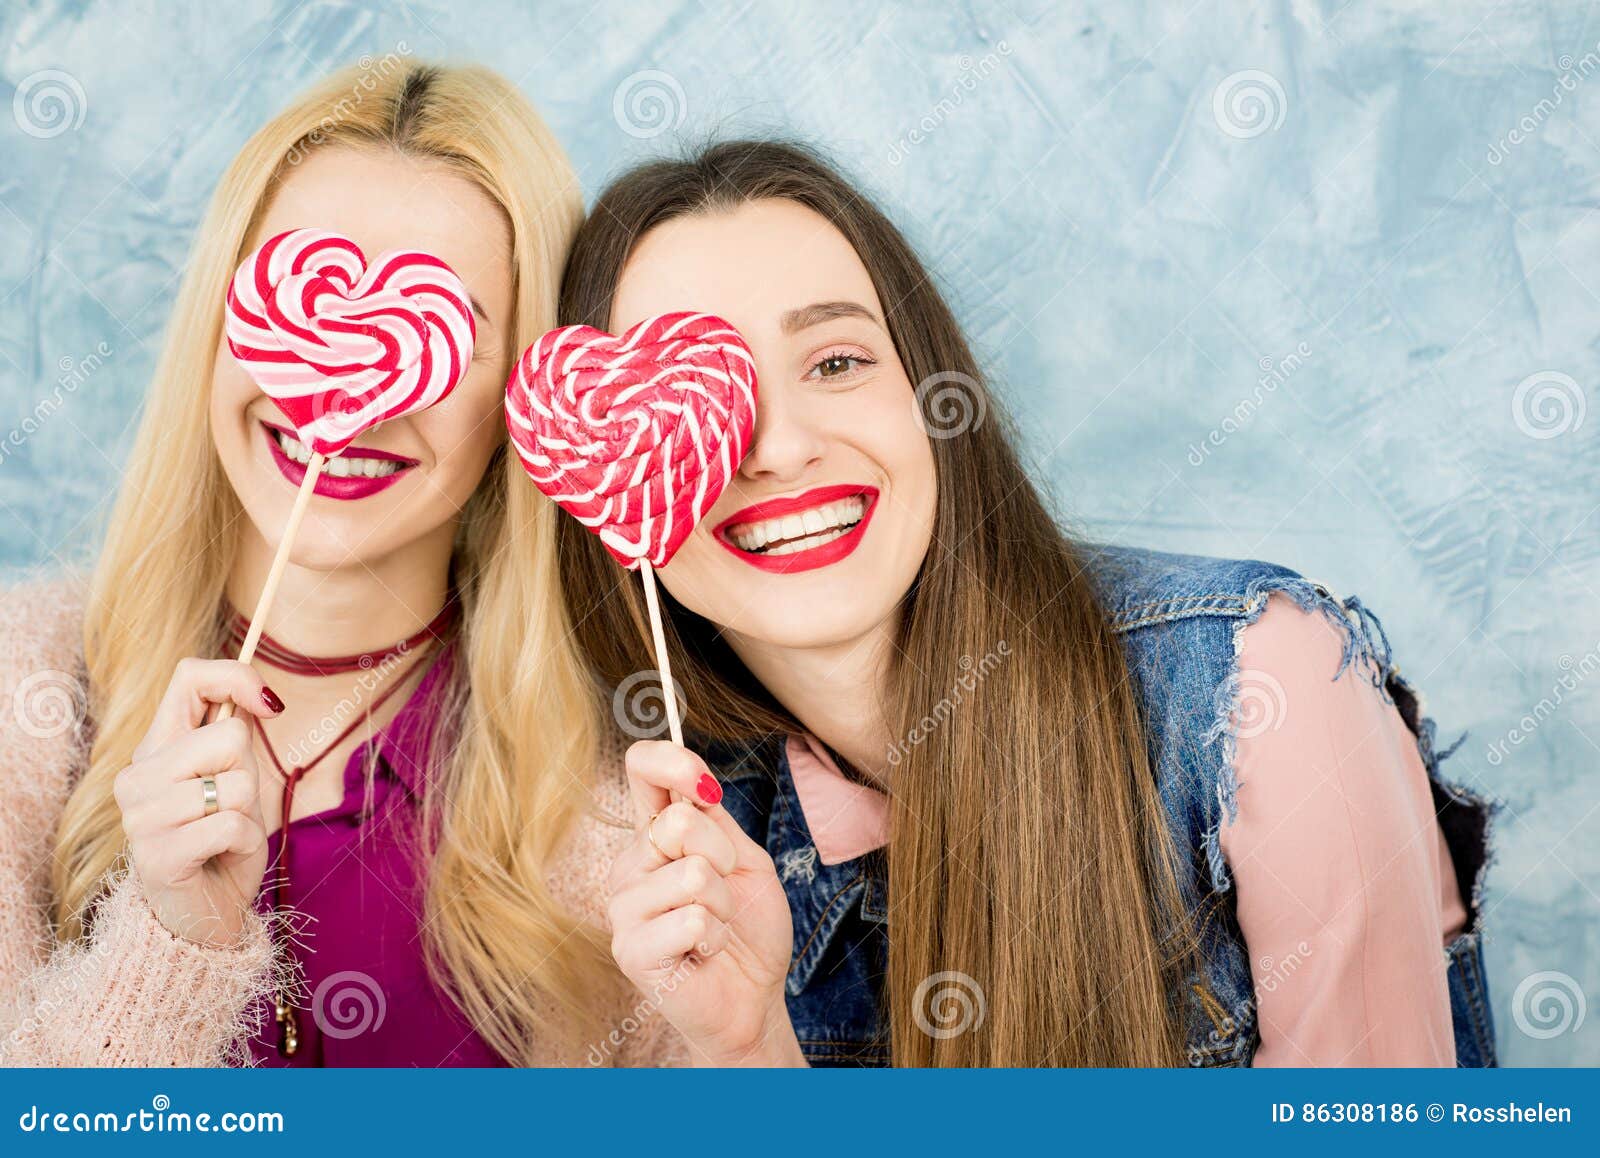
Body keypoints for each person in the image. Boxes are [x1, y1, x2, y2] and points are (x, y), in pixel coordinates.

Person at [558, 140, 1498, 1067]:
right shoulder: (687, 840)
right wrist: (747, 1046)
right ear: (600, 473)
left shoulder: (1257, 687)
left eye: (836, 362)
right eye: (686, 402)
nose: (776, 447)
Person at [0, 62, 678, 1067]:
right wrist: (170, 943)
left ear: (522, 392)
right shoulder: (24, 692)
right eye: (315, 298)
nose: (350, 392)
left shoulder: (618, 804)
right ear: (223, 328)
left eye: (428, 320)